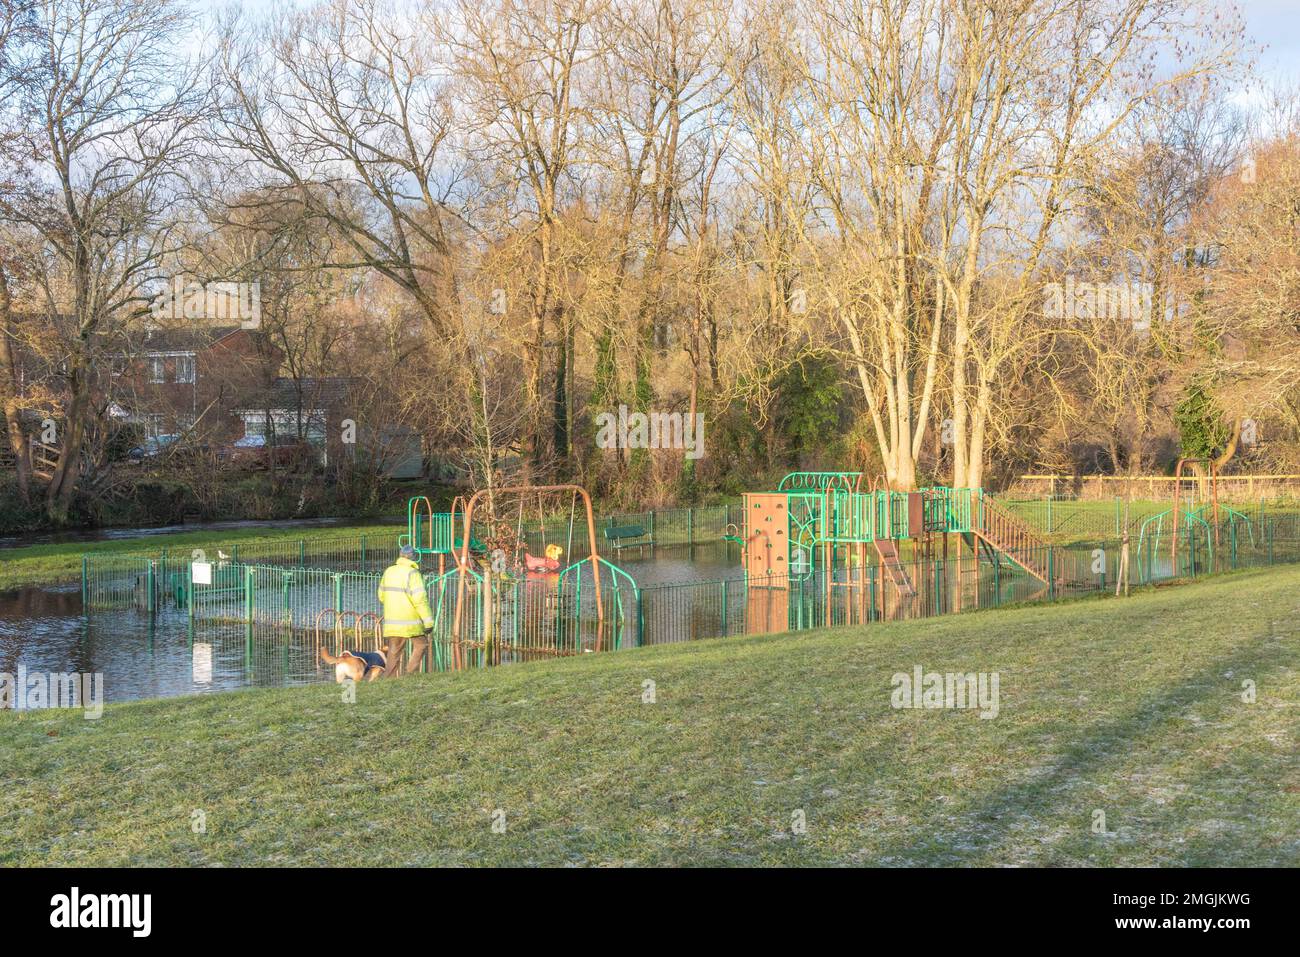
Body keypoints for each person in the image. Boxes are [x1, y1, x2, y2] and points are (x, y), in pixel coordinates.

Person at [377, 545, 434, 677]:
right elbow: (420, 600)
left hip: (392, 621)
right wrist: (428, 622)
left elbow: (381, 595)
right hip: (410, 621)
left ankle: (388, 678)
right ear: (413, 557)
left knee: (393, 651)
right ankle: (410, 672)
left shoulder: (389, 571)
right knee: (421, 644)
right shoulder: (413, 574)